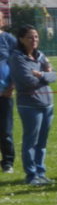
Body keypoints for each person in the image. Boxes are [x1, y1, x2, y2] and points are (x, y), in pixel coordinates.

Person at [7, 25, 56, 185]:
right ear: (21, 39)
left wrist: (42, 74)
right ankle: (31, 175)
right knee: (31, 141)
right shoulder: (17, 57)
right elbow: (28, 81)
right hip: (30, 105)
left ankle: (41, 172)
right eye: (30, 37)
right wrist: (45, 76)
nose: (34, 40)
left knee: (42, 142)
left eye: (36, 36)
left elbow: (54, 76)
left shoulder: (41, 56)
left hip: (47, 103)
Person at [0, 27, 18, 173]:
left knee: (5, 130)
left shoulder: (8, 39)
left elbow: (17, 61)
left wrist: (12, 85)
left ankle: (7, 162)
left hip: (4, 92)